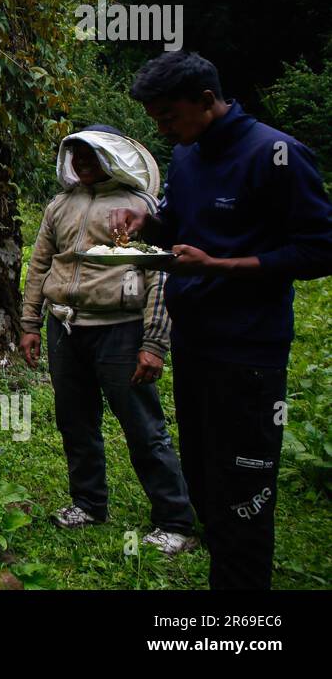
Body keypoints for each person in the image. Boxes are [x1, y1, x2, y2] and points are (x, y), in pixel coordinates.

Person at [111, 51, 332, 589]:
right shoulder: (188, 157)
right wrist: (149, 223)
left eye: (168, 116)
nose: (163, 129)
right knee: (209, 487)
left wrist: (220, 266)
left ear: (206, 101)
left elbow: (319, 250)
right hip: (195, 347)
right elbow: (181, 229)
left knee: (245, 498)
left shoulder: (275, 154)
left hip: (249, 354)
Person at [21, 125, 195, 554]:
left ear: (110, 158)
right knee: (75, 421)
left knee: (142, 425)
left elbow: (160, 273)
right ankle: (88, 502)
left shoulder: (140, 207)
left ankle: (175, 520)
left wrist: (154, 344)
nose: (81, 164)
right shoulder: (59, 205)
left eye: (89, 156)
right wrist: (29, 323)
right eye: (75, 156)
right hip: (63, 325)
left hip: (120, 327)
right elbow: (40, 264)